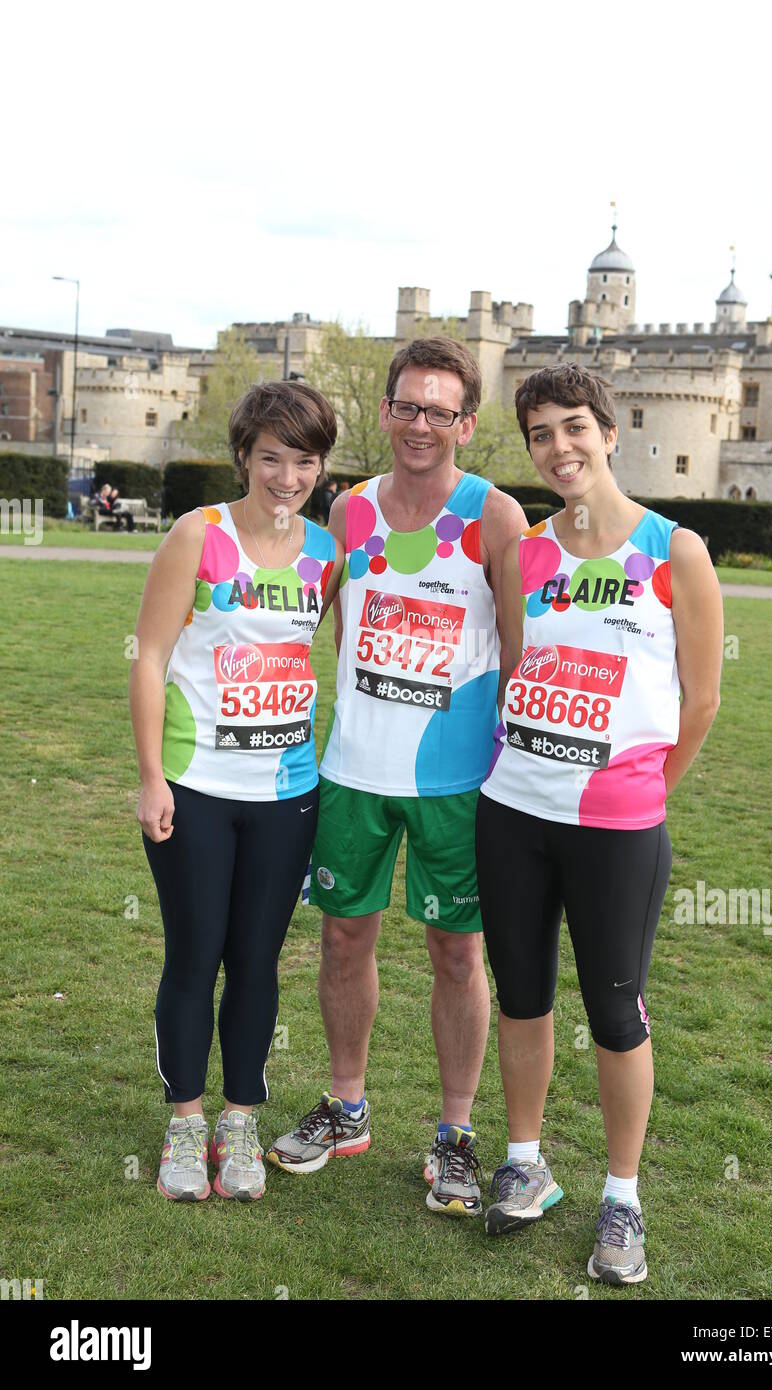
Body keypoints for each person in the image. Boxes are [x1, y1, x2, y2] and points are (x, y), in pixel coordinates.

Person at [267, 337, 526, 1216]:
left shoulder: (496, 516)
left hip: (457, 782)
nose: (421, 425)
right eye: (407, 406)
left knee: (457, 952)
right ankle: (347, 1107)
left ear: (467, 421)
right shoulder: (346, 512)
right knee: (343, 940)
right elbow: (329, 627)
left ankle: (455, 1135)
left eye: (440, 411)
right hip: (353, 771)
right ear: (385, 411)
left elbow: (521, 656)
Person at [476, 364, 722, 1282]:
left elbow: (702, 701)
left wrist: (645, 791)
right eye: (540, 434)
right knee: (521, 994)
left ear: (611, 433)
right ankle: (527, 1165)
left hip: (619, 824)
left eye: (574, 426)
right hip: (513, 811)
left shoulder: (675, 550)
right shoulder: (527, 554)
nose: (559, 447)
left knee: (616, 1010)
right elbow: (511, 674)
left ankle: (622, 1200)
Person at [129, 380, 343, 1202]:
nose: (287, 478)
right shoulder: (198, 536)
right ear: (245, 456)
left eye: (305, 462)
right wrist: (152, 777)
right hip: (196, 787)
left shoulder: (326, 554)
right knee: (196, 955)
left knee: (256, 960)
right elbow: (149, 657)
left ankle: (240, 1120)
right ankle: (186, 1126)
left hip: (287, 792)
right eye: (271, 459)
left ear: (321, 468)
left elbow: (312, 652)